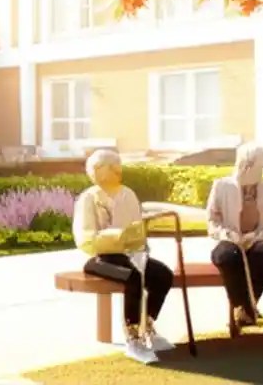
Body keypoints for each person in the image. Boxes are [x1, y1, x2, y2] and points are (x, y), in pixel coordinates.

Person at [73, 149, 175, 364]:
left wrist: (140, 246)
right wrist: (116, 236)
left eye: (118, 165)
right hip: (101, 257)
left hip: (130, 253)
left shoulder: (128, 194)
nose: (118, 170)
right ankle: (133, 338)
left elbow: (138, 229)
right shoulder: (88, 198)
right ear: (99, 171)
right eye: (113, 167)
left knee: (163, 275)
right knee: (133, 278)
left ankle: (148, 325)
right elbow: (85, 238)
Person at [207, 143, 263, 332]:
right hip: (230, 240)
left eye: (254, 166)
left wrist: (255, 237)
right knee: (227, 256)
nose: (247, 169)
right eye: (245, 165)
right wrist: (228, 234)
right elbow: (212, 221)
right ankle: (241, 307)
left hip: (257, 240)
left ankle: (247, 306)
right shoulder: (221, 186)